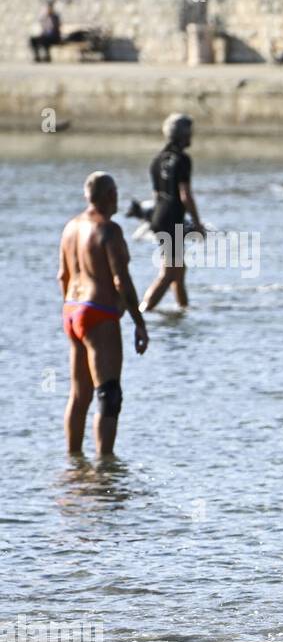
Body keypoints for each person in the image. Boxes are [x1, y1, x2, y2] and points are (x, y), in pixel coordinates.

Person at [59, 172, 149, 458]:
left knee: (79, 394)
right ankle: (105, 469)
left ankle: (74, 461)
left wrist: (73, 311)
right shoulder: (108, 230)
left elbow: (62, 275)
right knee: (109, 394)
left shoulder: (70, 227)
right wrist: (139, 322)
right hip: (98, 312)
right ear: (111, 195)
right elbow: (121, 281)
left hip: (72, 310)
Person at [140, 114, 204, 313]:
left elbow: (156, 195)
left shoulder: (157, 160)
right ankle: (143, 311)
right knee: (169, 273)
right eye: (189, 132)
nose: (191, 136)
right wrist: (197, 224)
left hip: (159, 217)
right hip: (172, 221)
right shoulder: (183, 160)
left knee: (179, 270)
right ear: (182, 135)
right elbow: (185, 195)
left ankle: (183, 308)